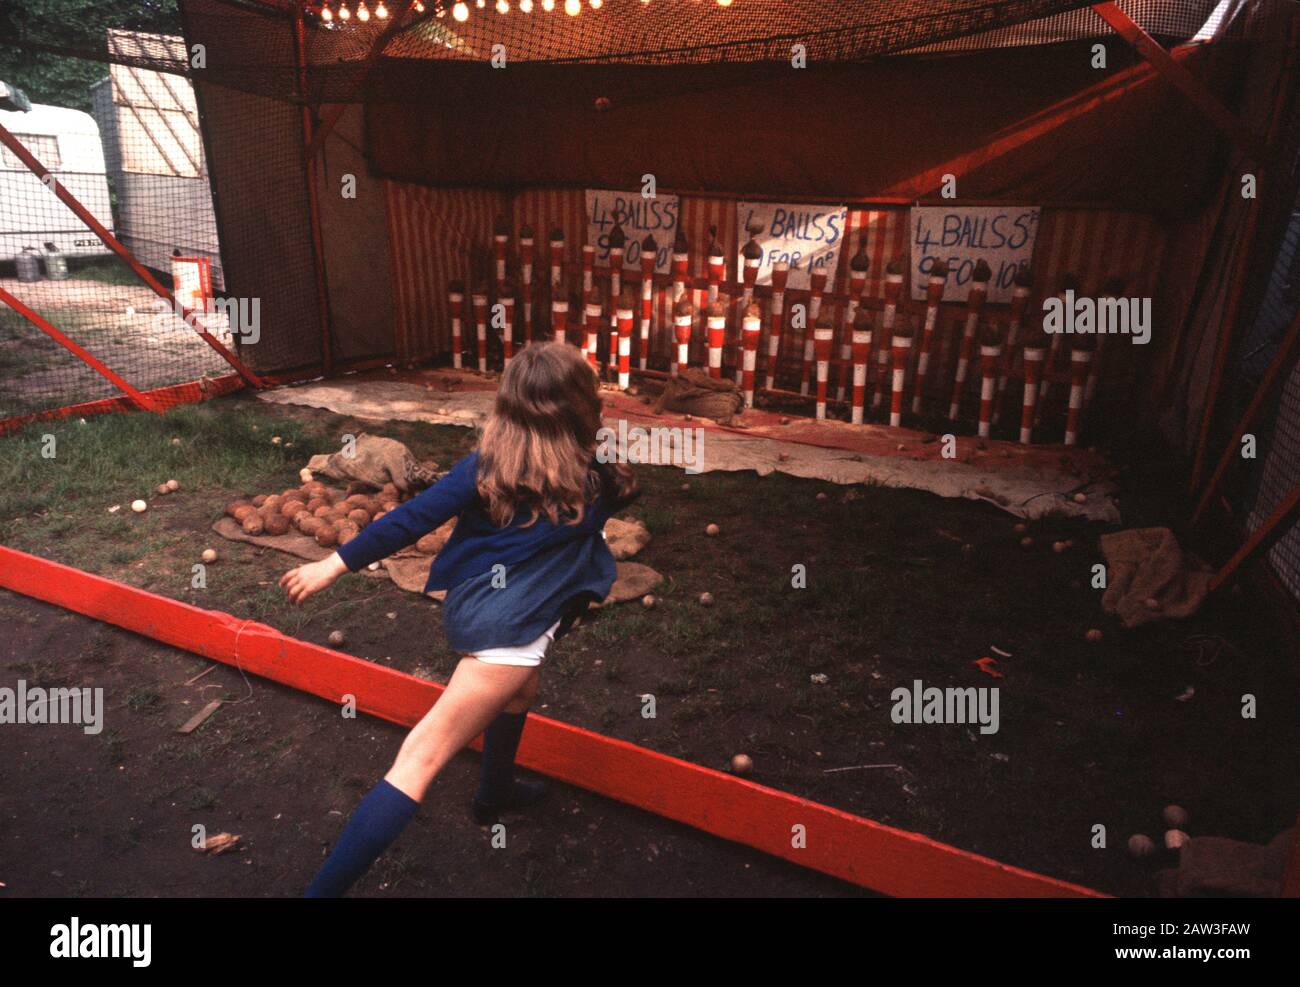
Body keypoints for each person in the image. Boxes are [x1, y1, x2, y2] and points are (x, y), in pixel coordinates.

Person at [281, 341, 638, 897]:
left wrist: (335, 564)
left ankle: (493, 794)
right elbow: (409, 519)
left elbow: (412, 518)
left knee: (522, 692)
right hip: (507, 630)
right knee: (420, 758)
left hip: (483, 609)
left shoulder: (492, 470)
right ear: (582, 410)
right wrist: (334, 563)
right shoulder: (593, 480)